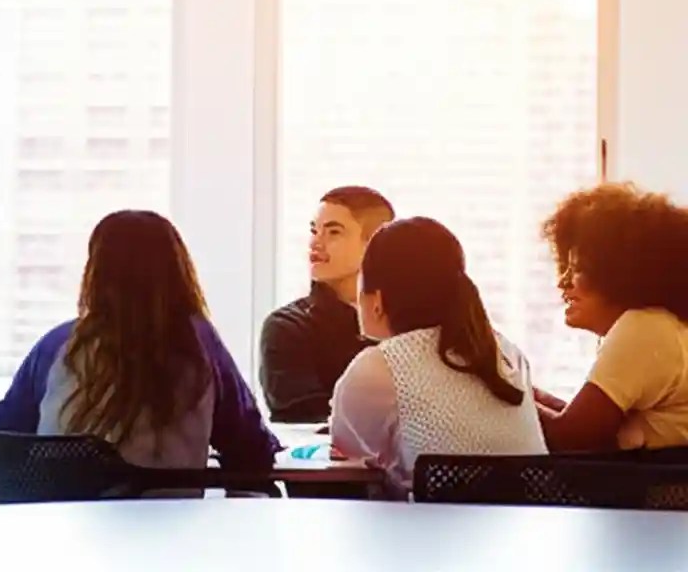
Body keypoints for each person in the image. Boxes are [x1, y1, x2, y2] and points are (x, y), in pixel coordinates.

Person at [0, 210, 281, 473]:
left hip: (65, 522)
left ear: (95, 272)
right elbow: (250, 448)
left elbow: (2, 437)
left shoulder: (57, 346)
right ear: (178, 271)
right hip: (173, 526)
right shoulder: (199, 345)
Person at [330, 217, 547, 495]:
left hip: (431, 533)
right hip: (527, 528)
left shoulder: (379, 368)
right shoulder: (506, 351)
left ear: (378, 301)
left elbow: (345, 453)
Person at [536, 183, 688, 453]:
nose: (563, 283)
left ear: (620, 273)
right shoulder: (669, 329)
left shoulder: (646, 329)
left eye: (577, 269)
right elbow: (588, 422)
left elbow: (572, 437)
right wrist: (518, 388)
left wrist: (493, 387)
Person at [259, 186, 395, 422]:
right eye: (314, 230)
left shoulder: (405, 323)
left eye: (333, 232)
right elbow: (303, 416)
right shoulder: (287, 327)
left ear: (374, 243)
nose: (315, 243)